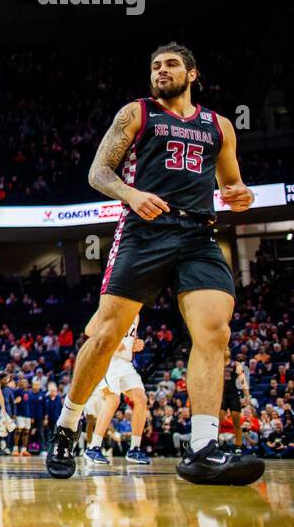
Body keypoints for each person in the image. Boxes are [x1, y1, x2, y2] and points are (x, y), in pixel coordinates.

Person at [46, 44, 264, 485]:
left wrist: (240, 194)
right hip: (145, 230)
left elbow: (232, 181)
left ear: (193, 73)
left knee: (215, 331)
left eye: (170, 65)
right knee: (106, 334)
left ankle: (203, 448)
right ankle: (67, 426)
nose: (161, 71)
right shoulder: (137, 113)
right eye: (155, 66)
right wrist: (131, 194)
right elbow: (99, 172)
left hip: (199, 233)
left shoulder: (219, 126)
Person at [84, 317, 151, 465]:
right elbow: (89, 330)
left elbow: (128, 339)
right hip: (108, 361)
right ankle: (93, 448)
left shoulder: (136, 313)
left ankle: (134, 449)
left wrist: (135, 345)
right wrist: (111, 343)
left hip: (125, 363)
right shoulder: (111, 301)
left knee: (141, 399)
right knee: (113, 400)